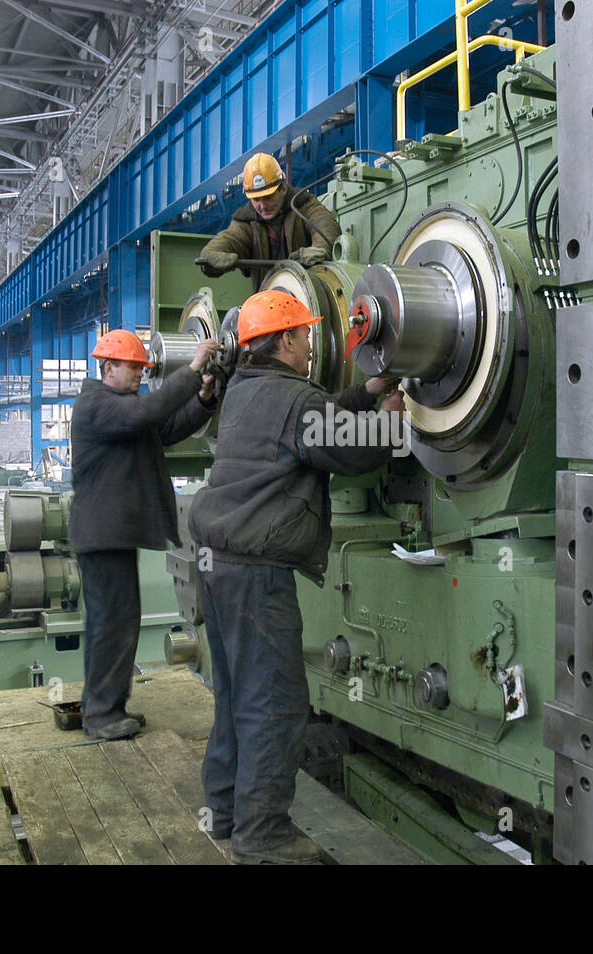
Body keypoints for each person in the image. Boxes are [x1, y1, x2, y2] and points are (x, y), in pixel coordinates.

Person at [189, 290, 403, 863]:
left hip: (217, 561)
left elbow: (313, 421)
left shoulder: (244, 390)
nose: (312, 344)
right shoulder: (294, 399)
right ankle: (262, 837)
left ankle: (226, 812)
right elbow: (351, 450)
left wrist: (365, 392)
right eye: (306, 335)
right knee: (276, 704)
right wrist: (388, 421)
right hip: (257, 573)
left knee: (235, 695)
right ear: (284, 341)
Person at [69, 328, 220, 740]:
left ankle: (108, 708)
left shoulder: (124, 409)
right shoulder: (95, 406)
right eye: (133, 368)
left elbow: (165, 429)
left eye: (143, 368)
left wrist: (204, 397)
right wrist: (191, 370)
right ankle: (100, 716)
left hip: (111, 538)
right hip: (101, 539)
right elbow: (148, 414)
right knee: (110, 624)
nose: (141, 374)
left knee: (119, 623)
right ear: (108, 366)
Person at [198, 153, 341, 291]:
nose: (262, 205)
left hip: (309, 295)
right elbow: (226, 241)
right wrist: (212, 257)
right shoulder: (246, 222)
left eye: (268, 197)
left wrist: (319, 249)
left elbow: (324, 224)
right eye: (256, 200)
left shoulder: (304, 204)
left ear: (283, 189)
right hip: (268, 304)